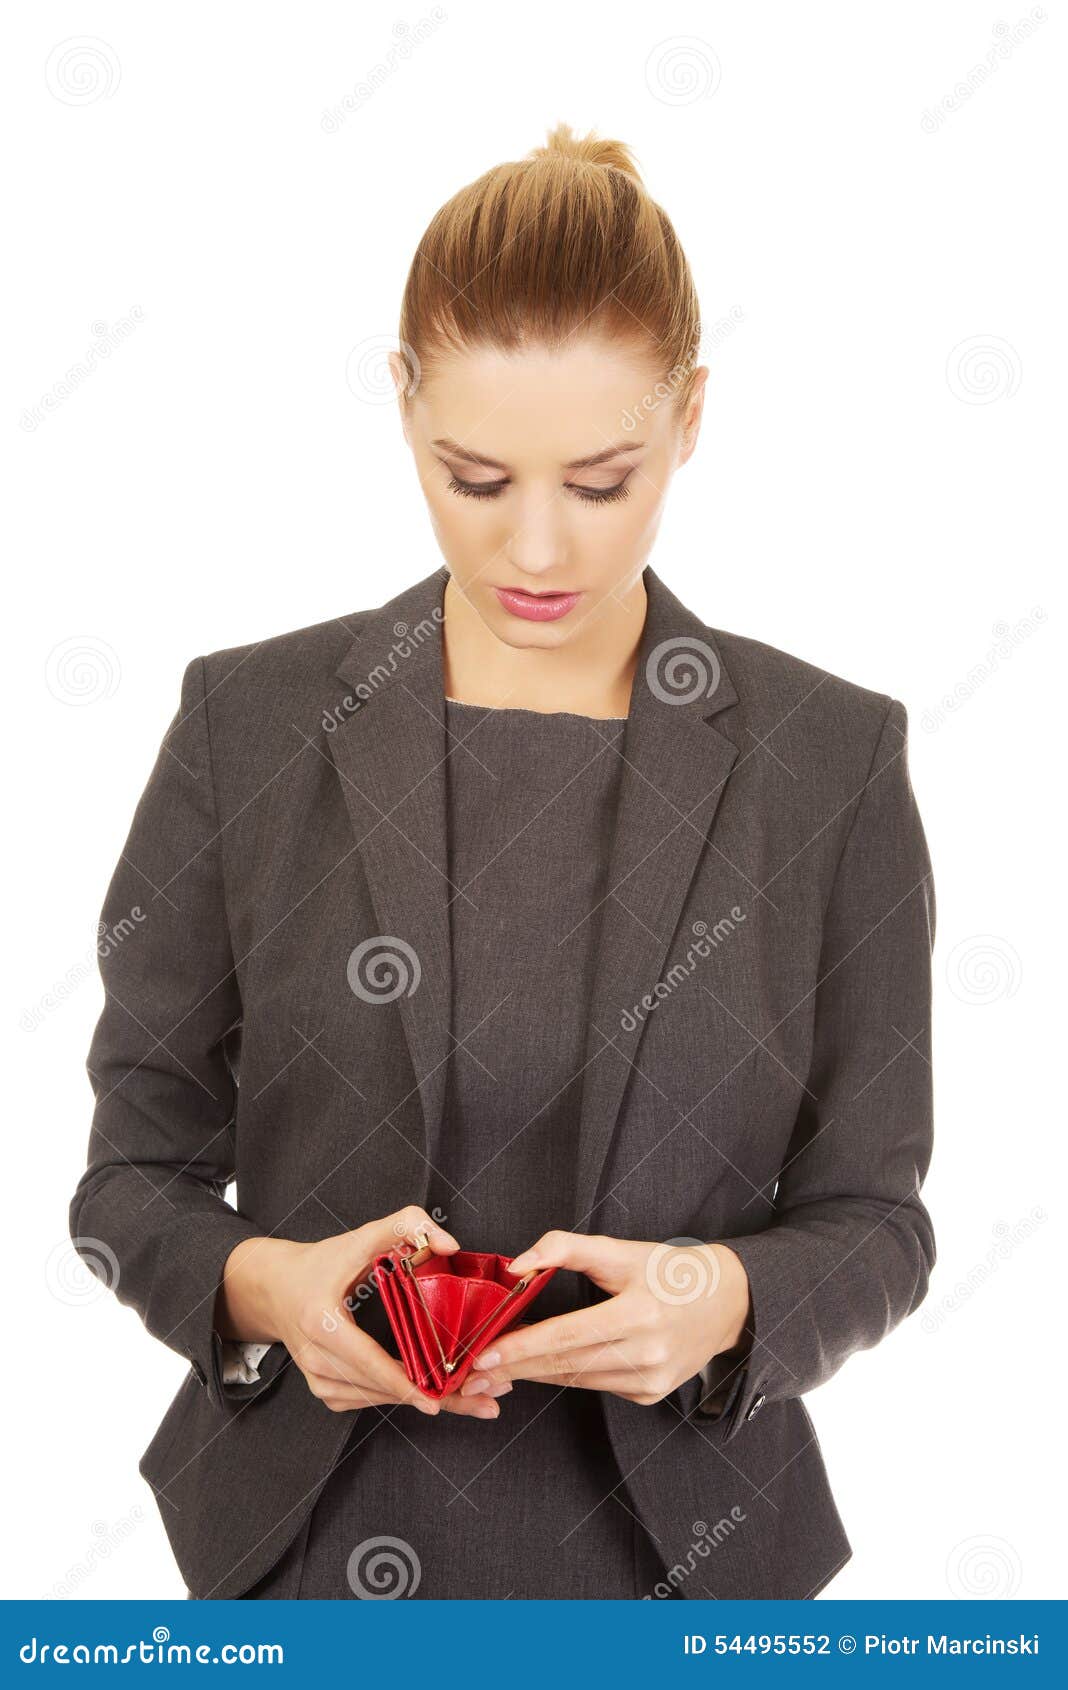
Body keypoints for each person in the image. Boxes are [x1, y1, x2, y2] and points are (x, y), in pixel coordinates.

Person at [70, 123, 936, 1600]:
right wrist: (267, 1284)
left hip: (685, 1567)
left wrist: (724, 1297)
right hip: (304, 1553)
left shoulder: (828, 762)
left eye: (602, 482)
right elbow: (131, 1178)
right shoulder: (250, 725)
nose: (538, 548)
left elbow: (880, 1217)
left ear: (693, 419)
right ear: (402, 408)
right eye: (475, 477)